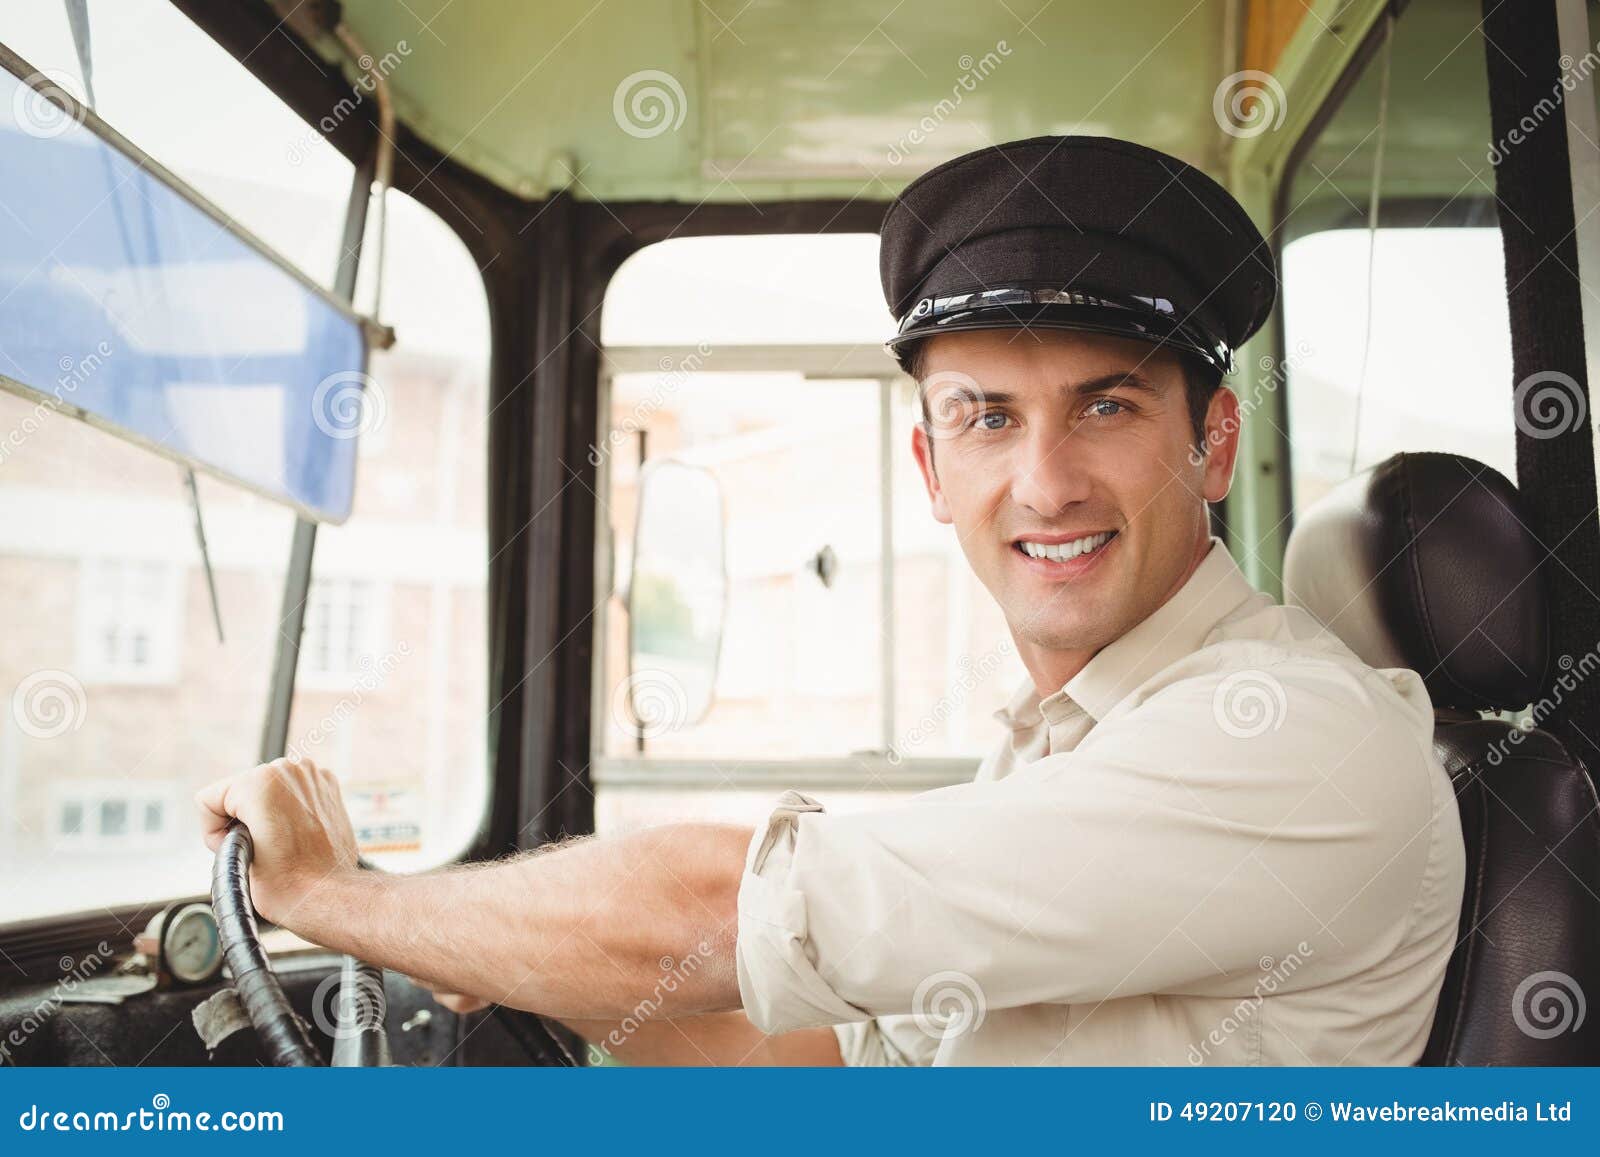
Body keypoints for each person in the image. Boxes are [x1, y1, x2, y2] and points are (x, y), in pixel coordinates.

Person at [196, 136, 1465, 1066]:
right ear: (929, 466)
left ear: (1214, 442)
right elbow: (829, 1060)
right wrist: (507, 952)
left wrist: (346, 898)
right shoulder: (1068, 743)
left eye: (1108, 403)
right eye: (985, 417)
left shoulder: (1291, 738)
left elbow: (719, 911)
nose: (1044, 480)